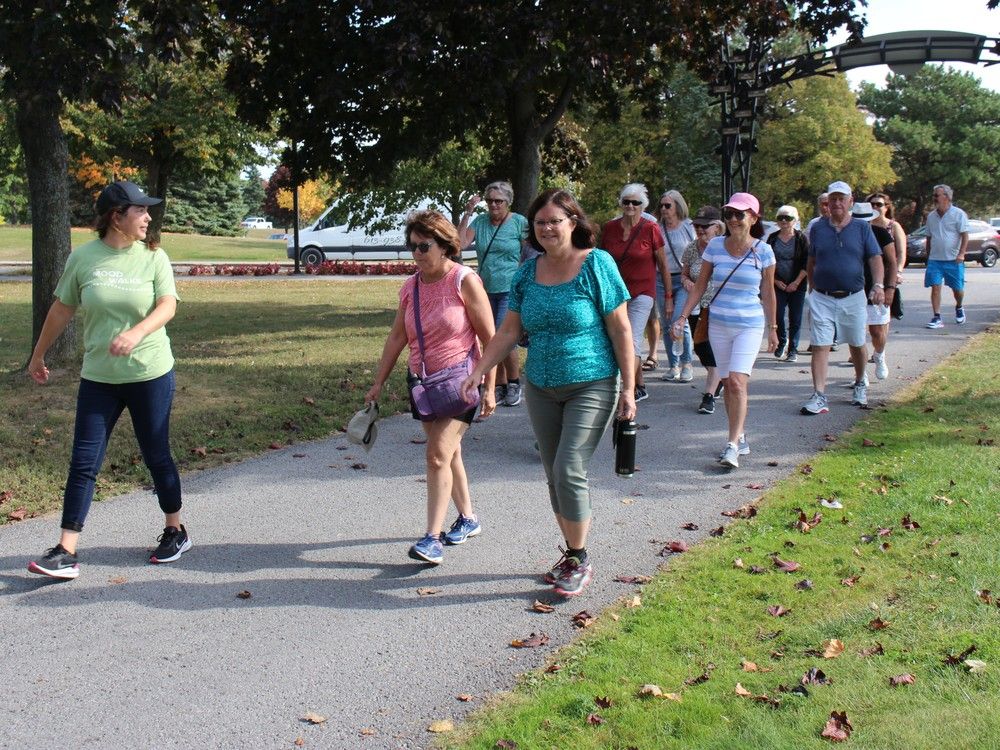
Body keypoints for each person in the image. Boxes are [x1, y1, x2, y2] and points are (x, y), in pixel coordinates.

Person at [462, 189, 635, 596]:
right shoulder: (526, 273)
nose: (547, 228)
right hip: (540, 386)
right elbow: (508, 331)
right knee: (553, 474)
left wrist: (629, 388)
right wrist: (481, 372)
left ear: (573, 222)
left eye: (555, 221)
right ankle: (572, 555)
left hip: (592, 382)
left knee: (568, 468)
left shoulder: (597, 264)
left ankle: (579, 557)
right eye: (540, 222)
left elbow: (621, 329)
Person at [26, 181, 187, 579]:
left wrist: (137, 333)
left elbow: (168, 306)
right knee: (84, 461)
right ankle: (66, 550)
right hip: (99, 377)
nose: (148, 217)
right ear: (117, 217)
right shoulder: (83, 258)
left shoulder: (153, 257)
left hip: (149, 373)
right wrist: (38, 354)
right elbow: (61, 309)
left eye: (147, 210)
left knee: (156, 455)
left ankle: (175, 529)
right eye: (140, 210)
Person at [365, 210, 497, 565]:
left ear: (444, 246)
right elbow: (397, 337)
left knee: (437, 454)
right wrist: (378, 382)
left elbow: (490, 339)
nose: (417, 253)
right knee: (449, 454)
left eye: (424, 246)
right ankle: (468, 518)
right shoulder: (410, 287)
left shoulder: (464, 281)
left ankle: (432, 539)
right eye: (413, 246)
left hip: (461, 382)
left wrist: (490, 386)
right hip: (423, 384)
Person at [674, 193, 777, 469]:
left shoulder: (764, 251)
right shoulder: (715, 246)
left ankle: (731, 445)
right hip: (718, 323)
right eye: (729, 214)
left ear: (753, 218)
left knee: (737, 382)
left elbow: (768, 293)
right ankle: (739, 434)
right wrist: (682, 316)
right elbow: (699, 285)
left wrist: (774, 328)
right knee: (728, 383)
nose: (733, 219)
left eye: (739, 214)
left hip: (749, 325)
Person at [801, 181, 885, 416]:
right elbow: (812, 259)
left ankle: (860, 382)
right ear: (828, 202)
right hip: (822, 296)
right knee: (820, 345)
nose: (837, 203)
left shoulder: (861, 228)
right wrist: (811, 286)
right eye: (833, 199)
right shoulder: (818, 228)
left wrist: (878, 285)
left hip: (853, 296)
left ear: (850, 202)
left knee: (857, 343)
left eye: (842, 199)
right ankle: (819, 395)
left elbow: (875, 258)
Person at [458, 181, 529, 405]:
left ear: (508, 202)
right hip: (485, 289)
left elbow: (530, 252)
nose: (493, 205)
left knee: (503, 337)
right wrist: (467, 212)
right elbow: (460, 243)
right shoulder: (480, 222)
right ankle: (499, 385)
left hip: (510, 288)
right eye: (489, 201)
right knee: (489, 338)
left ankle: (514, 383)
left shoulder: (519, 222)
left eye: (498, 201)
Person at [601, 183, 669, 403]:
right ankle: (639, 386)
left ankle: (626, 389)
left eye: (635, 202)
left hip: (643, 291)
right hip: (616, 293)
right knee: (618, 339)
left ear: (643, 206)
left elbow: (663, 265)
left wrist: (668, 297)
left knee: (631, 341)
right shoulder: (610, 228)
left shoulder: (651, 229)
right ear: (621, 203)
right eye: (626, 201)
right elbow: (602, 261)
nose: (630, 206)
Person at [680, 206, 726, 414]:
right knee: (699, 347)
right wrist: (686, 282)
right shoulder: (691, 248)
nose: (700, 229)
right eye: (697, 225)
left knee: (712, 348)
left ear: (717, 227)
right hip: (698, 305)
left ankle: (709, 396)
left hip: (720, 306)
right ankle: (719, 378)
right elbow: (684, 274)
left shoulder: (725, 247)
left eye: (705, 226)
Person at [850, 202, 898, 381]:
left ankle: (879, 354)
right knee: (856, 334)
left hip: (877, 288)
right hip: (853, 289)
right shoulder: (846, 234)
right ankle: (861, 374)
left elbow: (892, 262)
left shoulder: (880, 233)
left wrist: (890, 288)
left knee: (877, 332)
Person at [656, 190, 693, 382]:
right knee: (666, 323)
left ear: (678, 206)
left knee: (679, 322)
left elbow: (698, 251)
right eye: (661, 205)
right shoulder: (656, 228)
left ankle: (687, 364)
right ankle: (673, 366)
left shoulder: (688, 227)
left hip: (683, 279)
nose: (664, 209)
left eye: (667, 205)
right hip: (661, 280)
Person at [766, 205, 809, 363]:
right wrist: (775, 281)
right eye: (780, 218)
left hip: (797, 283)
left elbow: (807, 262)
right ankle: (782, 341)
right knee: (777, 314)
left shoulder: (801, 238)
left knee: (795, 318)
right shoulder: (772, 238)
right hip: (778, 283)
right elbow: (766, 262)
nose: (784, 221)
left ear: (795, 220)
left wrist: (796, 283)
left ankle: (793, 349)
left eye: (788, 218)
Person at [924, 184, 969, 329]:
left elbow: (965, 235)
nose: (934, 198)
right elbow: (929, 237)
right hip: (935, 259)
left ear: (947, 197)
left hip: (953, 260)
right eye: (934, 195)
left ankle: (959, 306)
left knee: (958, 289)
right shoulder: (931, 216)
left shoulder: (958, 214)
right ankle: (937, 317)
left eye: (937, 195)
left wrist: (961, 254)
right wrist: (928, 255)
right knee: (935, 287)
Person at [867, 191, 907, 322]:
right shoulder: (864, 226)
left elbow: (901, 253)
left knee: (882, 314)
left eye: (879, 204)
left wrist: (898, 272)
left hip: (888, 272)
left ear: (886, 207)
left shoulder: (893, 226)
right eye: (871, 204)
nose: (875, 207)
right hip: (868, 274)